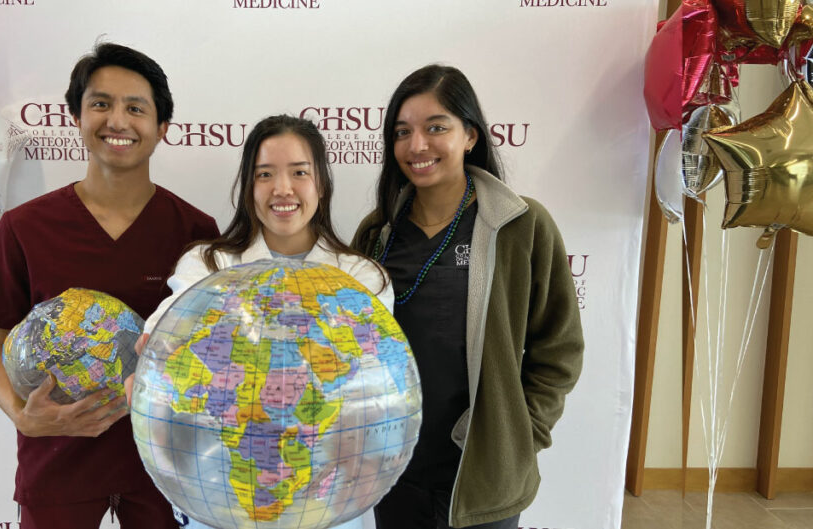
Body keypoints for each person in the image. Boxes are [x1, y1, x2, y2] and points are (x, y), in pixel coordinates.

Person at [0, 43, 218, 529]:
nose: (117, 121)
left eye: (136, 108)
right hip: (56, 458)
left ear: (161, 128)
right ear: (77, 117)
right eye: (100, 104)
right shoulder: (24, 228)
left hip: (164, 465)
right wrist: (23, 416)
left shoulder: (196, 232)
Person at [351, 65, 584, 529]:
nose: (417, 145)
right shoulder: (377, 234)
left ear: (470, 135)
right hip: (395, 472)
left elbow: (559, 350)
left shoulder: (521, 226)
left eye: (436, 127)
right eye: (403, 132)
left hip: (482, 477)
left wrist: (518, 436)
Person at [137, 114, 391, 529]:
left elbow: (369, 388)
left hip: (324, 498)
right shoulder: (208, 264)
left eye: (299, 173)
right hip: (226, 493)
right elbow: (166, 332)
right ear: (248, 187)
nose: (283, 189)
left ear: (321, 184)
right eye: (265, 174)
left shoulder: (361, 278)